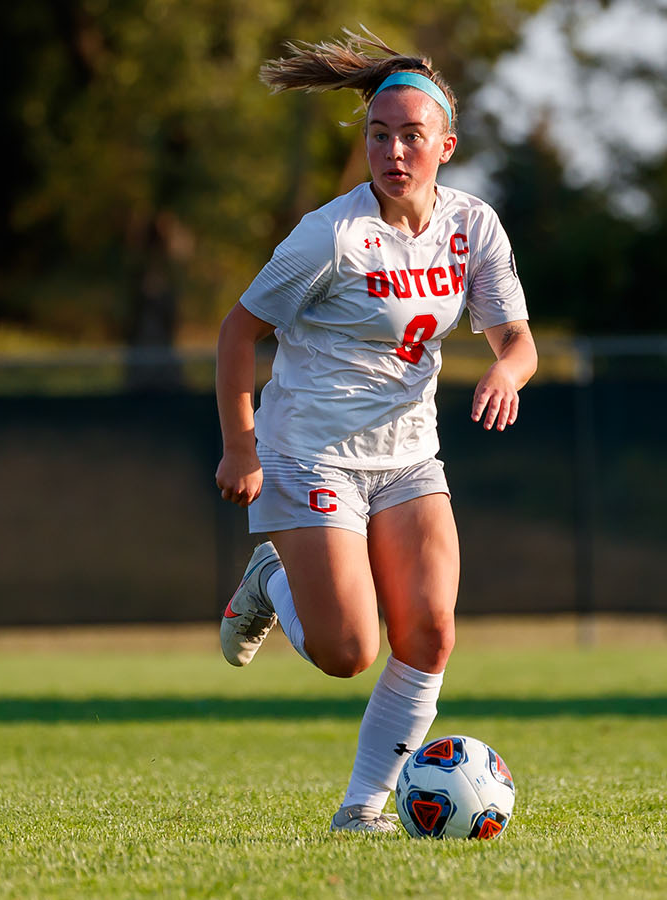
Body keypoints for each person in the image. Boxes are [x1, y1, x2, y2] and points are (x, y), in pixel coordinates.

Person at [214, 31, 537, 833]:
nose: (392, 151)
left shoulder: (473, 227)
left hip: (408, 459)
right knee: (348, 653)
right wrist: (241, 445)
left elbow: (519, 342)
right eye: (378, 135)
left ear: (446, 146)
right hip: (308, 451)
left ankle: (362, 812)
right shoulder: (331, 235)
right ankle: (270, 582)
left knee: (430, 630)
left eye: (411, 135)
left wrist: (506, 371)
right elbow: (236, 334)